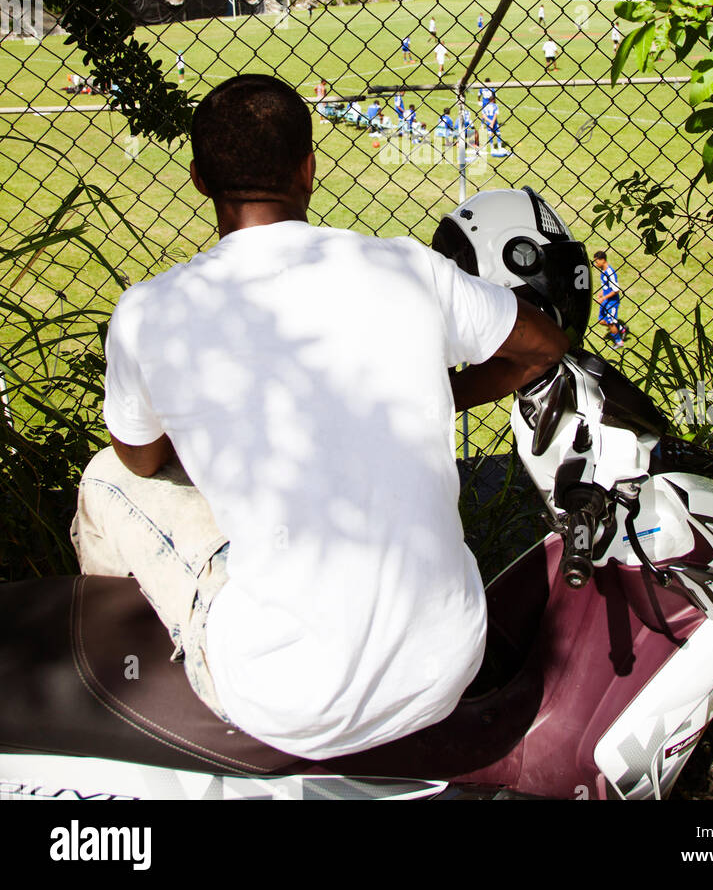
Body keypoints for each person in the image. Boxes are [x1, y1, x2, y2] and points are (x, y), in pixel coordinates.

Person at [68, 75, 569, 759]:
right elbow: (544, 348)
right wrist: (432, 391)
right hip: (447, 664)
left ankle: (123, 699)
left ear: (196, 179)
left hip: (281, 700)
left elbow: (141, 461)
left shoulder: (149, 313)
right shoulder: (405, 267)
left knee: (102, 479)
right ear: (310, 168)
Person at [593, 250, 626, 349]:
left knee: (610, 323)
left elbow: (616, 290)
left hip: (612, 302)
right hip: (606, 301)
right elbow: (607, 287)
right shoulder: (603, 271)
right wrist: (602, 292)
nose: (595, 263)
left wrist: (604, 298)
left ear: (602, 260)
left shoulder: (610, 273)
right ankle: (620, 328)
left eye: (596, 261)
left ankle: (619, 342)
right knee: (601, 320)